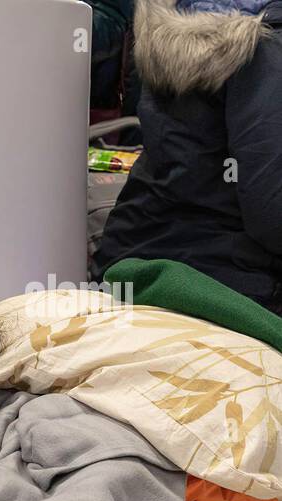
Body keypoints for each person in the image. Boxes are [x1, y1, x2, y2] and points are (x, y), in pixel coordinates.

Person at [92, 0, 282, 313]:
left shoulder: (185, 18)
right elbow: (271, 214)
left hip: (131, 263)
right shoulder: (267, 44)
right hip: (224, 289)